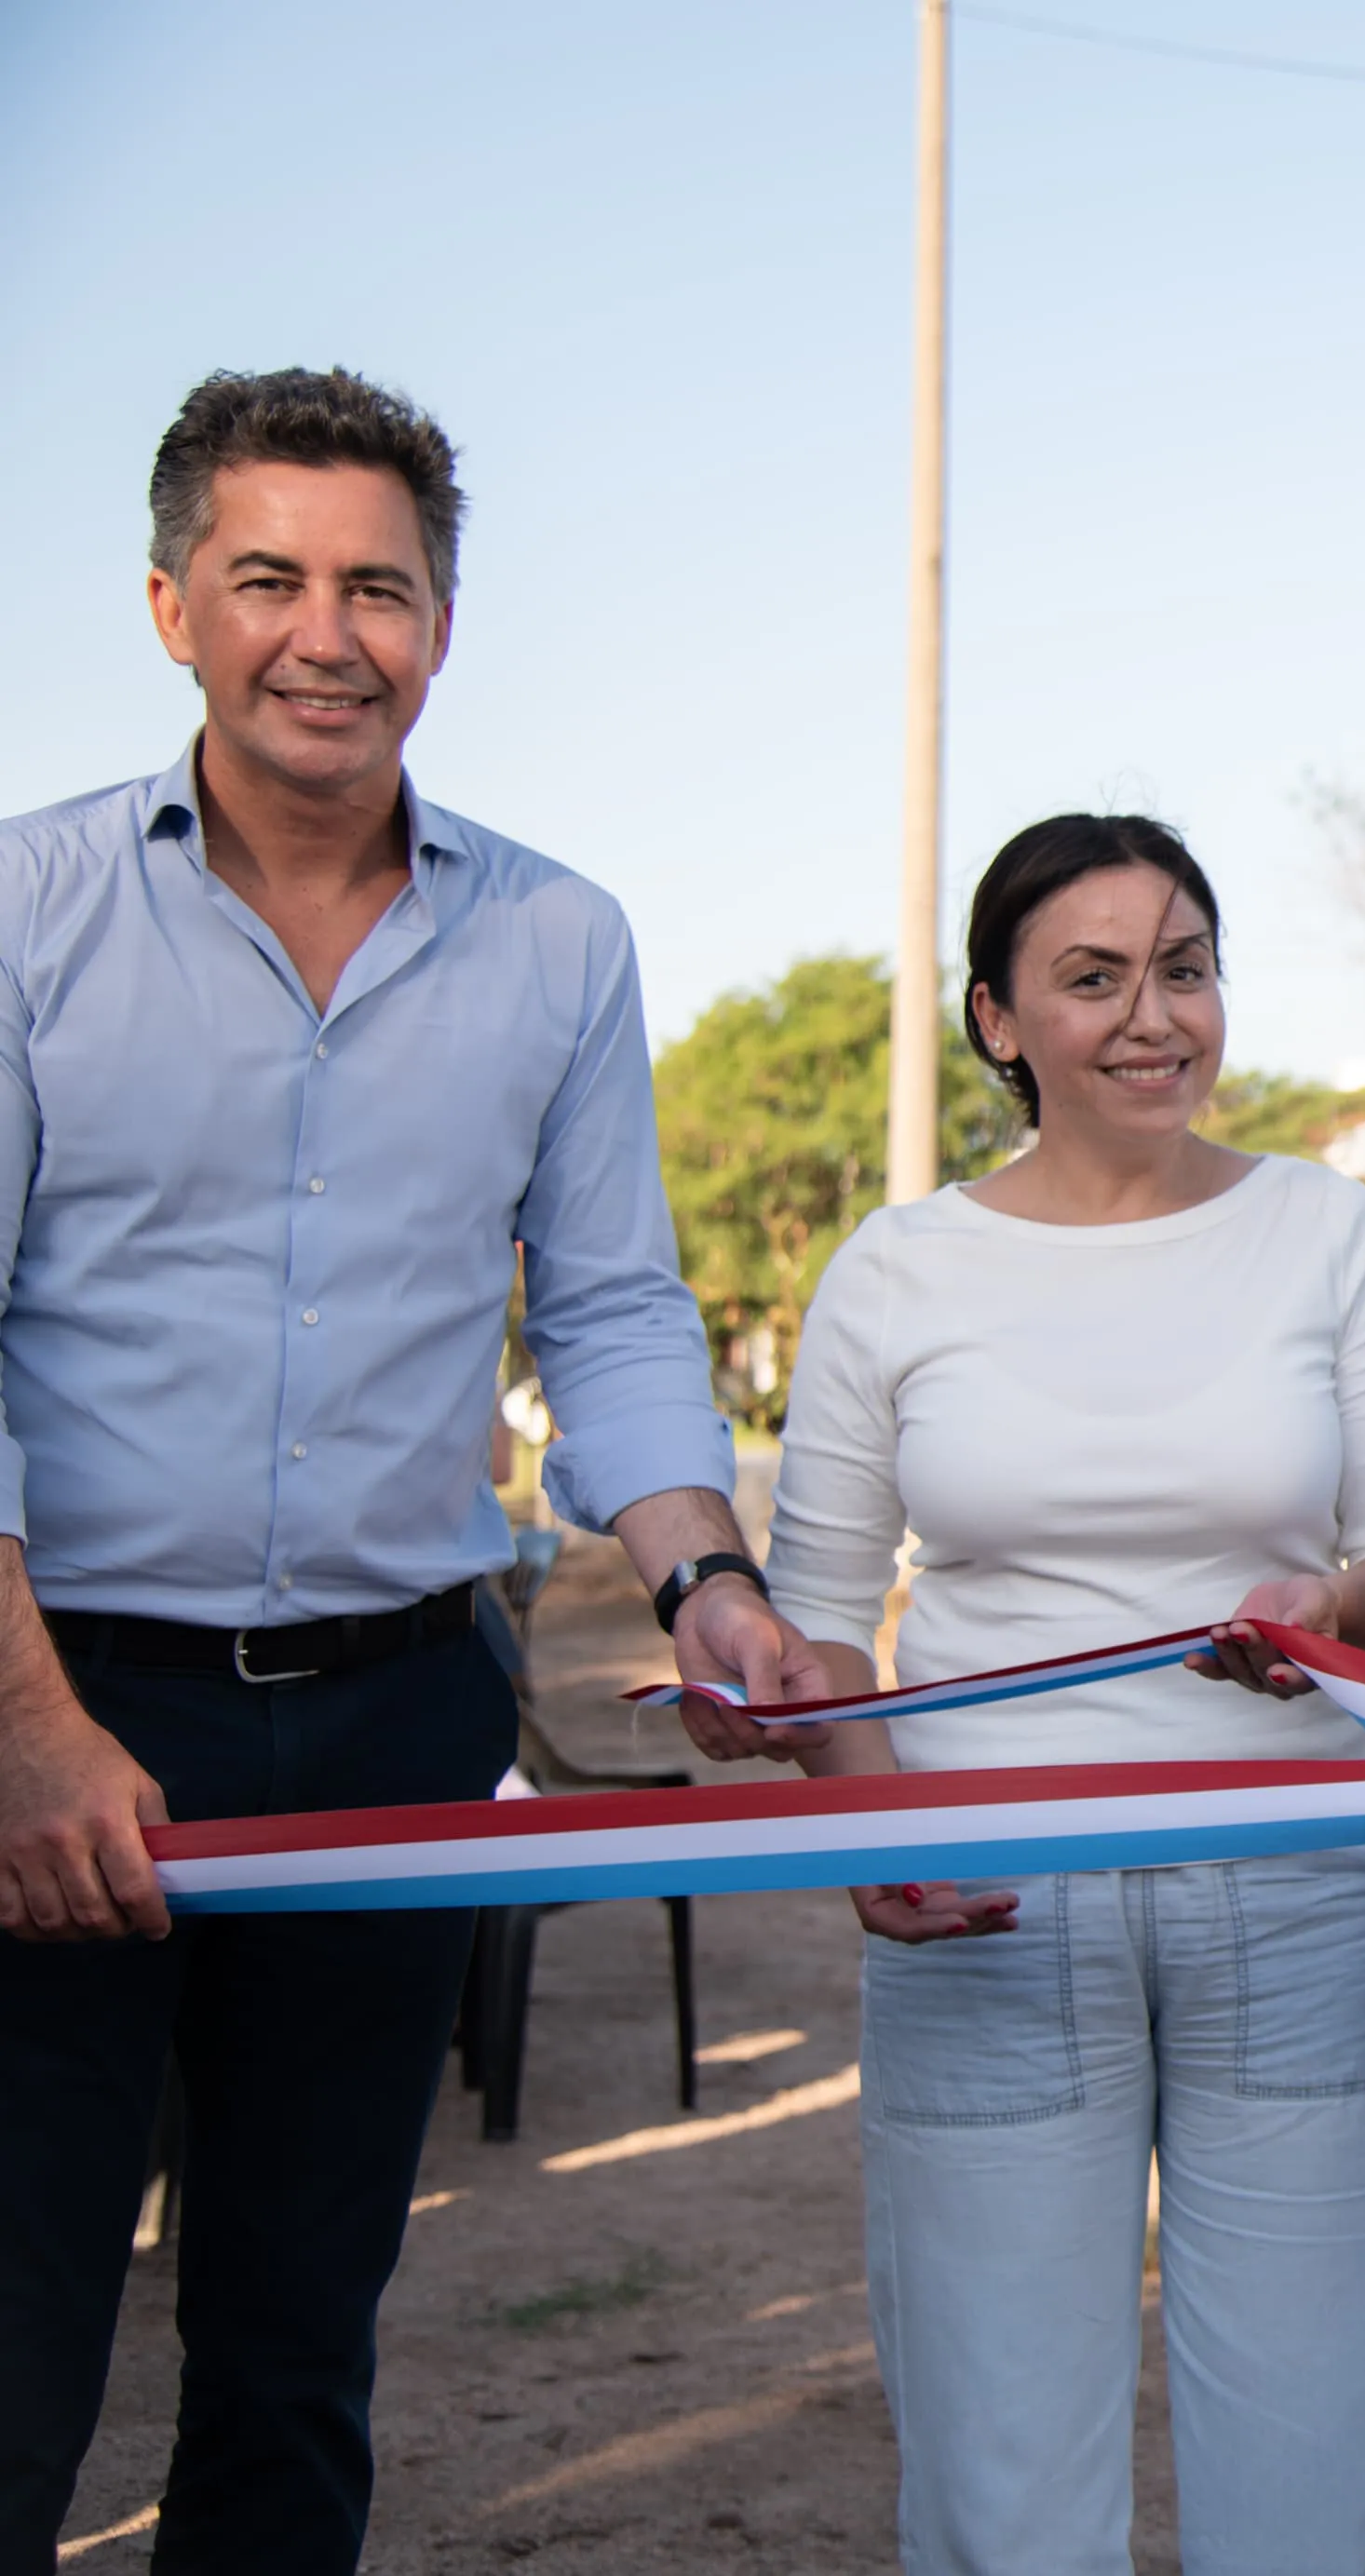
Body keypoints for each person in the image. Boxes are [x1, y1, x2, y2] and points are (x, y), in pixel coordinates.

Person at [0, 368, 821, 2573]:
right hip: (60, 1713)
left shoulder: (560, 942)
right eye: (269, 577)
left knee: (297, 2354)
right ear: (171, 604)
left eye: (381, 585)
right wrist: (28, 1731)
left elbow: (623, 1317)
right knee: (13, 2336)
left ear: (443, 628)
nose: (326, 632)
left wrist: (707, 1586)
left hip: (394, 1718)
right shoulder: (22, 913)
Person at [714, 815, 1365, 2576]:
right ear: (997, 1018)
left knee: (1326, 2456)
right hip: (991, 1903)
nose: (1151, 1016)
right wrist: (872, 1827)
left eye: (1182, 968)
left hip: (1297, 1898)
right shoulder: (896, 1270)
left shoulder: (1333, 1233)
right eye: (1093, 975)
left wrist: (1327, 1608)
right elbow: (820, 1615)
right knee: (999, 2465)